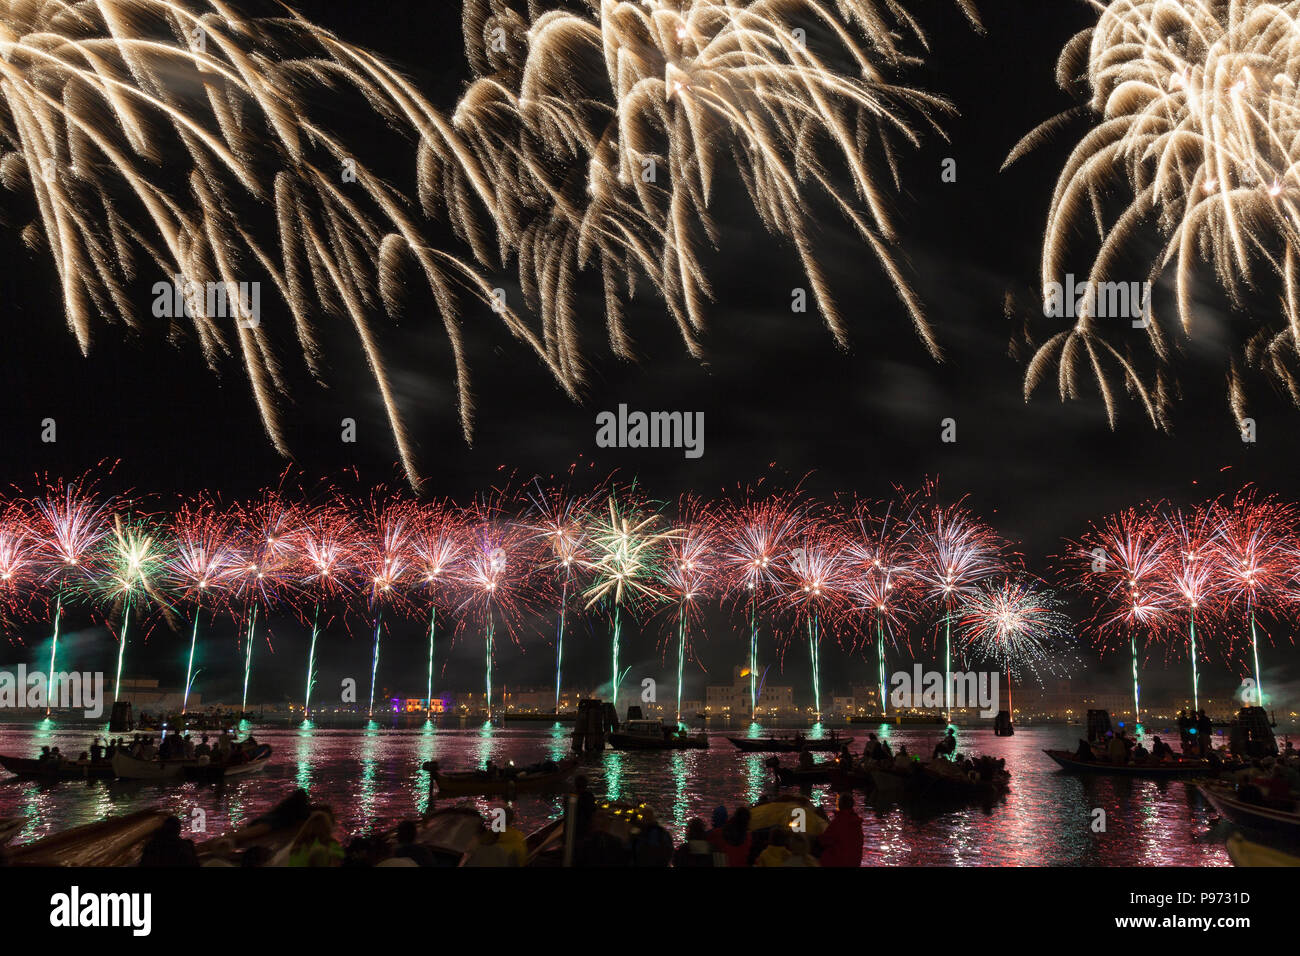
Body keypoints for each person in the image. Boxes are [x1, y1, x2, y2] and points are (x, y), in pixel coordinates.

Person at [818, 792, 864, 867]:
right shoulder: (857, 823)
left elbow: (823, 840)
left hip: (838, 862)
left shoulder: (839, 821)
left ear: (840, 805)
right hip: (854, 863)